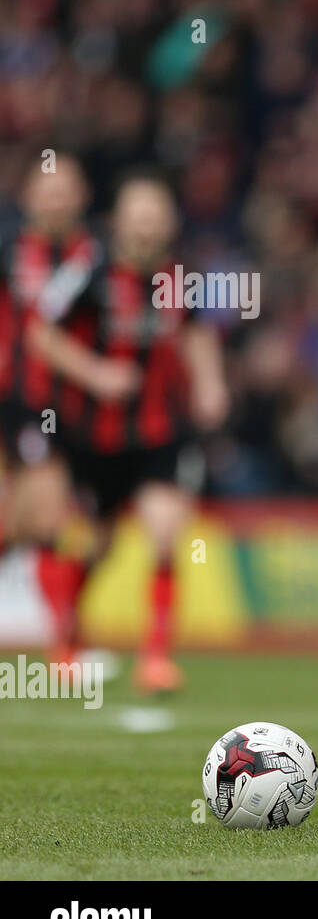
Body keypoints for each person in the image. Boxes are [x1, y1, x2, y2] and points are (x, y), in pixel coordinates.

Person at [29, 174, 229, 694]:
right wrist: (96, 373)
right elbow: (41, 334)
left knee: (164, 534)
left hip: (162, 434)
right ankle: (67, 640)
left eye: (155, 214)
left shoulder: (180, 277)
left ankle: (156, 659)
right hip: (95, 439)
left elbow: (196, 332)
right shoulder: (88, 273)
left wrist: (209, 385)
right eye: (137, 214)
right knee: (93, 546)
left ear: (167, 222)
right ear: (119, 220)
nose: (146, 224)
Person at [0, 157, 100, 666]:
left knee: (77, 529)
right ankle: (64, 649)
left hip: (90, 416)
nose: (56, 198)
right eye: (47, 188)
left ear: (82, 195)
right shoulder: (9, 248)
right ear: (28, 197)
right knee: (51, 519)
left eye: (66, 188)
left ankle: (67, 640)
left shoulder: (98, 256)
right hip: (23, 406)